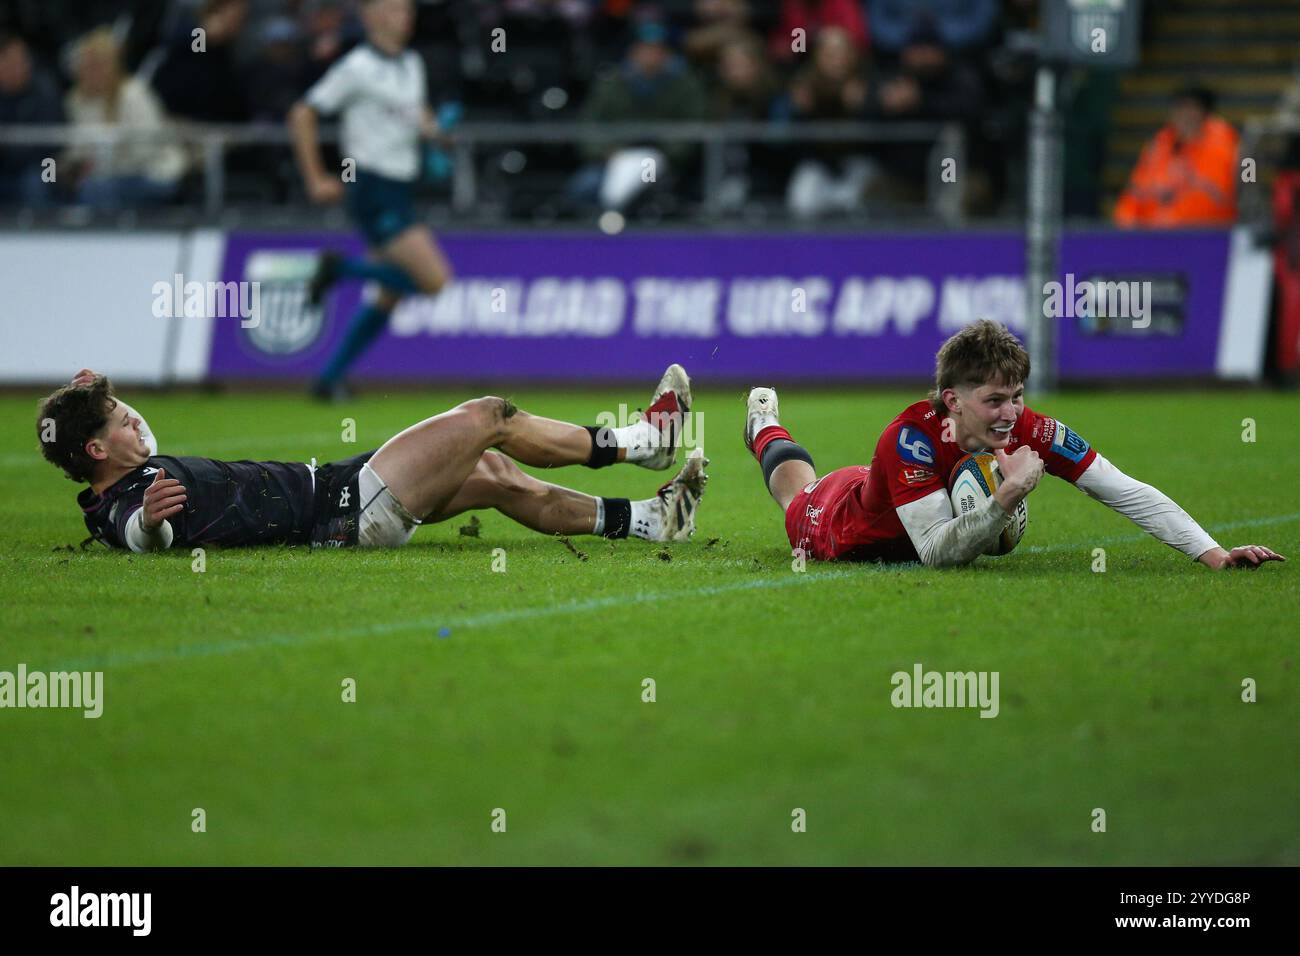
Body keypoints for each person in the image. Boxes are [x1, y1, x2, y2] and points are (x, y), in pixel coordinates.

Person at [743, 320, 1285, 570]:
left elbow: (1125, 491)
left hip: (902, 497)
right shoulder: (909, 438)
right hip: (841, 524)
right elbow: (934, 554)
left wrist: (1214, 555)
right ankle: (765, 425)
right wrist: (1005, 501)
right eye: (995, 400)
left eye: (1018, 397)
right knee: (795, 493)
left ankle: (769, 429)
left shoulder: (1031, 430)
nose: (1011, 414)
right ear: (952, 400)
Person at [38, 365, 705, 553]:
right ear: (96, 451)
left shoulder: (125, 475)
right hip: (347, 508)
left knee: (498, 477)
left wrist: (85, 393)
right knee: (488, 417)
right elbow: (134, 535)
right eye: (119, 418)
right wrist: (152, 525)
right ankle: (639, 445)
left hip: (339, 493)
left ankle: (649, 520)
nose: (134, 417)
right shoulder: (120, 504)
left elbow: (120, 489)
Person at [288, 0, 453, 401]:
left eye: (408, 10)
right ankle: (340, 268)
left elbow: (417, 114)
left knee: (389, 293)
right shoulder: (357, 67)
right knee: (434, 280)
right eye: (395, 9)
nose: (405, 16)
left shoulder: (412, 62)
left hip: (400, 186)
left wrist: (434, 132)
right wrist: (315, 178)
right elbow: (303, 112)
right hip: (372, 185)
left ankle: (327, 381)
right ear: (370, 15)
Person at [63, 27, 186, 210]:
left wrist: (105, 164)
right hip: (106, 176)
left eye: (97, 65)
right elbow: (78, 148)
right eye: (87, 66)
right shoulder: (76, 101)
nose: (91, 72)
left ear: (111, 66)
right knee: (80, 186)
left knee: (97, 189)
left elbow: (148, 149)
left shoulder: (133, 94)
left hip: (153, 174)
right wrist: (75, 165)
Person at [1114, 85, 1239, 228]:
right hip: (1157, 236)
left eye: (1191, 109)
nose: (1185, 116)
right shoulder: (1158, 146)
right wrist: (1125, 225)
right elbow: (1134, 194)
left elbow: (1249, 178)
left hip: (1210, 236)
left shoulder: (1228, 145)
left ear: (1205, 114)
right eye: (1180, 109)